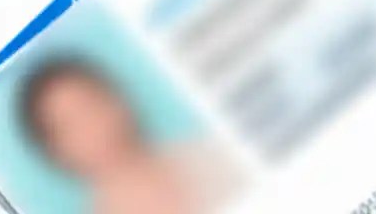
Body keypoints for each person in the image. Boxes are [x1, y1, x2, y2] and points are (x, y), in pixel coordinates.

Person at [18, 61, 239, 214]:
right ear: (55, 151)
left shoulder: (212, 153)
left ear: (117, 99)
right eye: (70, 125)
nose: (93, 129)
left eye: (91, 106)